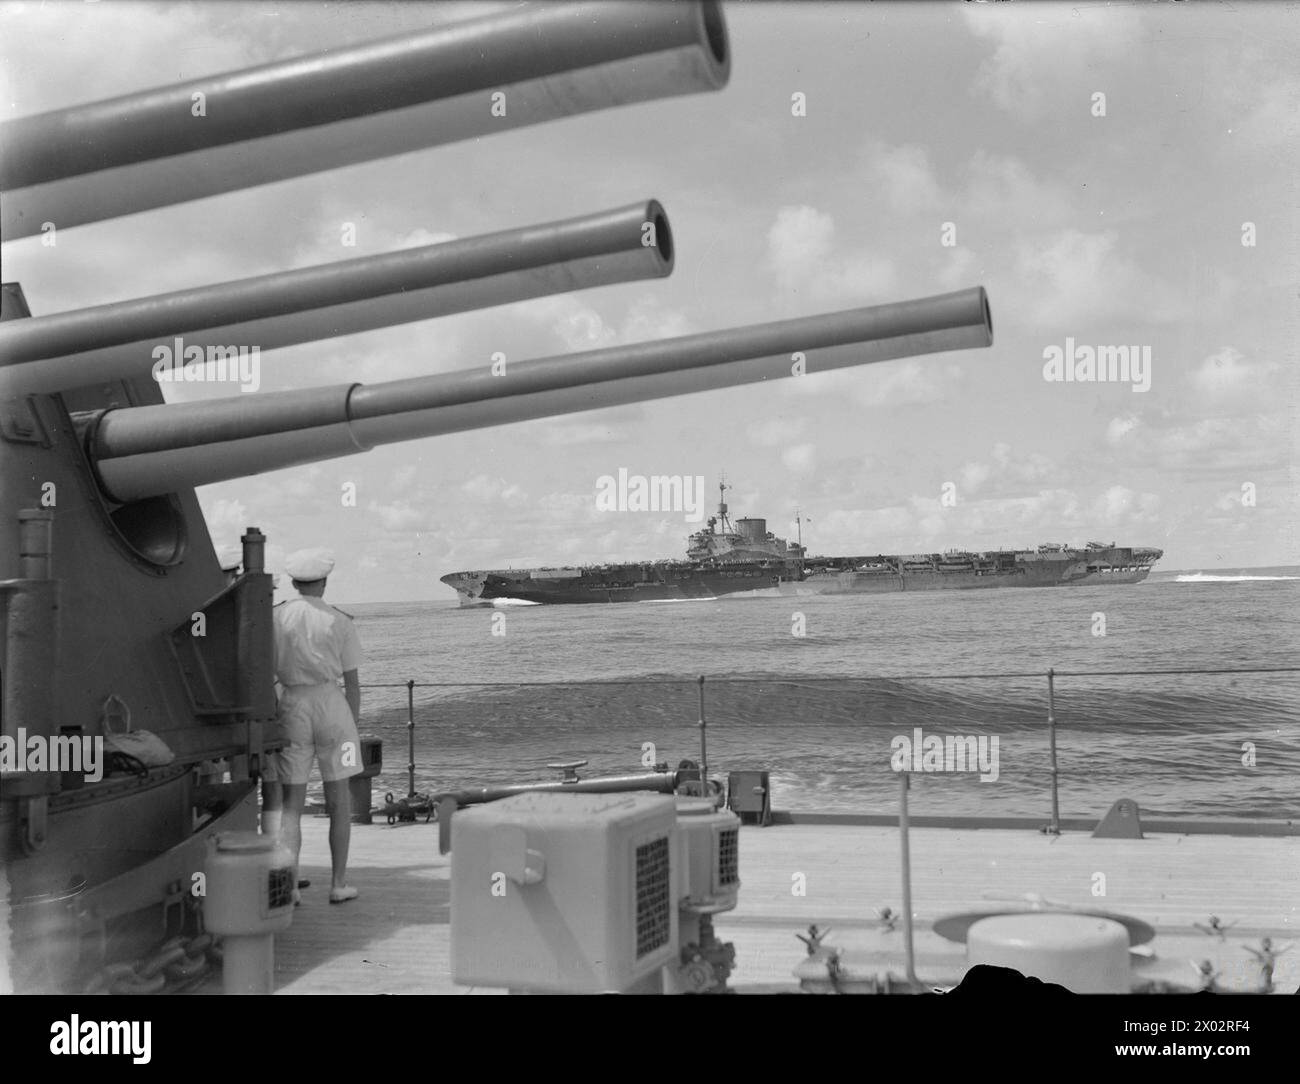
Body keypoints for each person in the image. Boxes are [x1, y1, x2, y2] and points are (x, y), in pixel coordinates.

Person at [271, 547, 363, 904]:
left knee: (292, 804)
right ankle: (338, 884)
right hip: (331, 704)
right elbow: (353, 683)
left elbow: (265, 677)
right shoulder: (340, 621)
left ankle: (290, 887)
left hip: (292, 702)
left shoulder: (276, 619)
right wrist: (351, 727)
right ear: (324, 582)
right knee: (339, 800)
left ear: (294, 583)